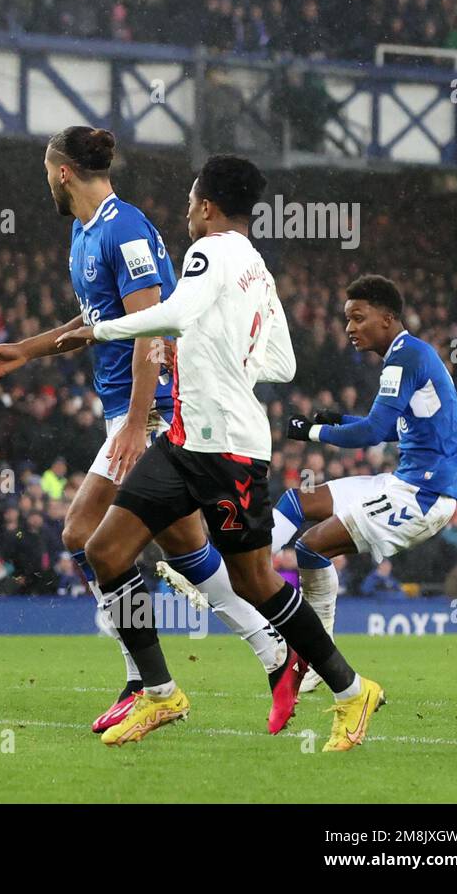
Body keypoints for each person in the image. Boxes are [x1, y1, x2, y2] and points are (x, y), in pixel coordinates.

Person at [0, 126, 292, 736]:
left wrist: (139, 424)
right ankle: (273, 653)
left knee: (84, 533)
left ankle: (149, 682)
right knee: (189, 550)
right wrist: (25, 352)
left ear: (61, 172)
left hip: (155, 406)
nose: (44, 179)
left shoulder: (125, 228)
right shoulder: (85, 234)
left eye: (44, 168)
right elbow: (95, 321)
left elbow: (150, 330)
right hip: (131, 409)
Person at [66, 154, 383, 751]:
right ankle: (159, 694)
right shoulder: (258, 270)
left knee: (258, 579)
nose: (185, 212)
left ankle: (350, 689)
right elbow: (282, 361)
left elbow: (177, 313)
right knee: (104, 549)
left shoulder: (206, 251)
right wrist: (232, 361)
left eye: (190, 202)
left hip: (229, 452)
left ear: (208, 207)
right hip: (186, 442)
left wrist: (99, 329)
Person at [274, 274, 457, 692]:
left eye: (359, 318)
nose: (349, 328)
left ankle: (312, 656)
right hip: (403, 481)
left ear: (388, 317)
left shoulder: (405, 357)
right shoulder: (413, 356)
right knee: (298, 501)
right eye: (347, 319)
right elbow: (398, 429)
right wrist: (331, 420)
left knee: (311, 546)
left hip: (423, 496)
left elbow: (373, 433)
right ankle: (243, 575)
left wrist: (312, 433)